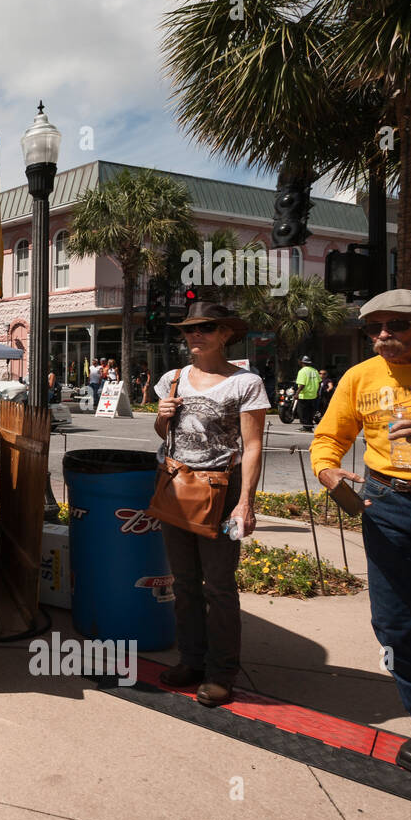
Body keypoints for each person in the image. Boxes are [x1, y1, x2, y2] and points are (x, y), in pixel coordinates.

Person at [311, 289, 411, 774]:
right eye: (373, 329)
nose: (383, 336)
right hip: (387, 501)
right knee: (394, 623)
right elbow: (329, 437)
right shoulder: (359, 377)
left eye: (396, 326)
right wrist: (327, 471)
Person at [154, 303, 269, 708]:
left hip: (221, 488)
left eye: (204, 328)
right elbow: (162, 431)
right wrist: (162, 415)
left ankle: (222, 673)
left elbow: (253, 446)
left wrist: (246, 503)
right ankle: (192, 660)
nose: (195, 335)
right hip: (177, 484)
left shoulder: (245, 383)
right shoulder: (172, 379)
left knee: (218, 586)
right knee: (183, 583)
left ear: (225, 334)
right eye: (188, 329)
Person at [295, 354, 320, 431]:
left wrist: (297, 393)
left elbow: (302, 384)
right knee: (310, 412)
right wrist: (317, 392)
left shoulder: (302, 371)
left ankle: (306, 427)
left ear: (301, 362)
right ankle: (309, 426)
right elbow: (319, 382)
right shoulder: (314, 370)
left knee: (302, 412)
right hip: (313, 395)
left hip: (304, 395)